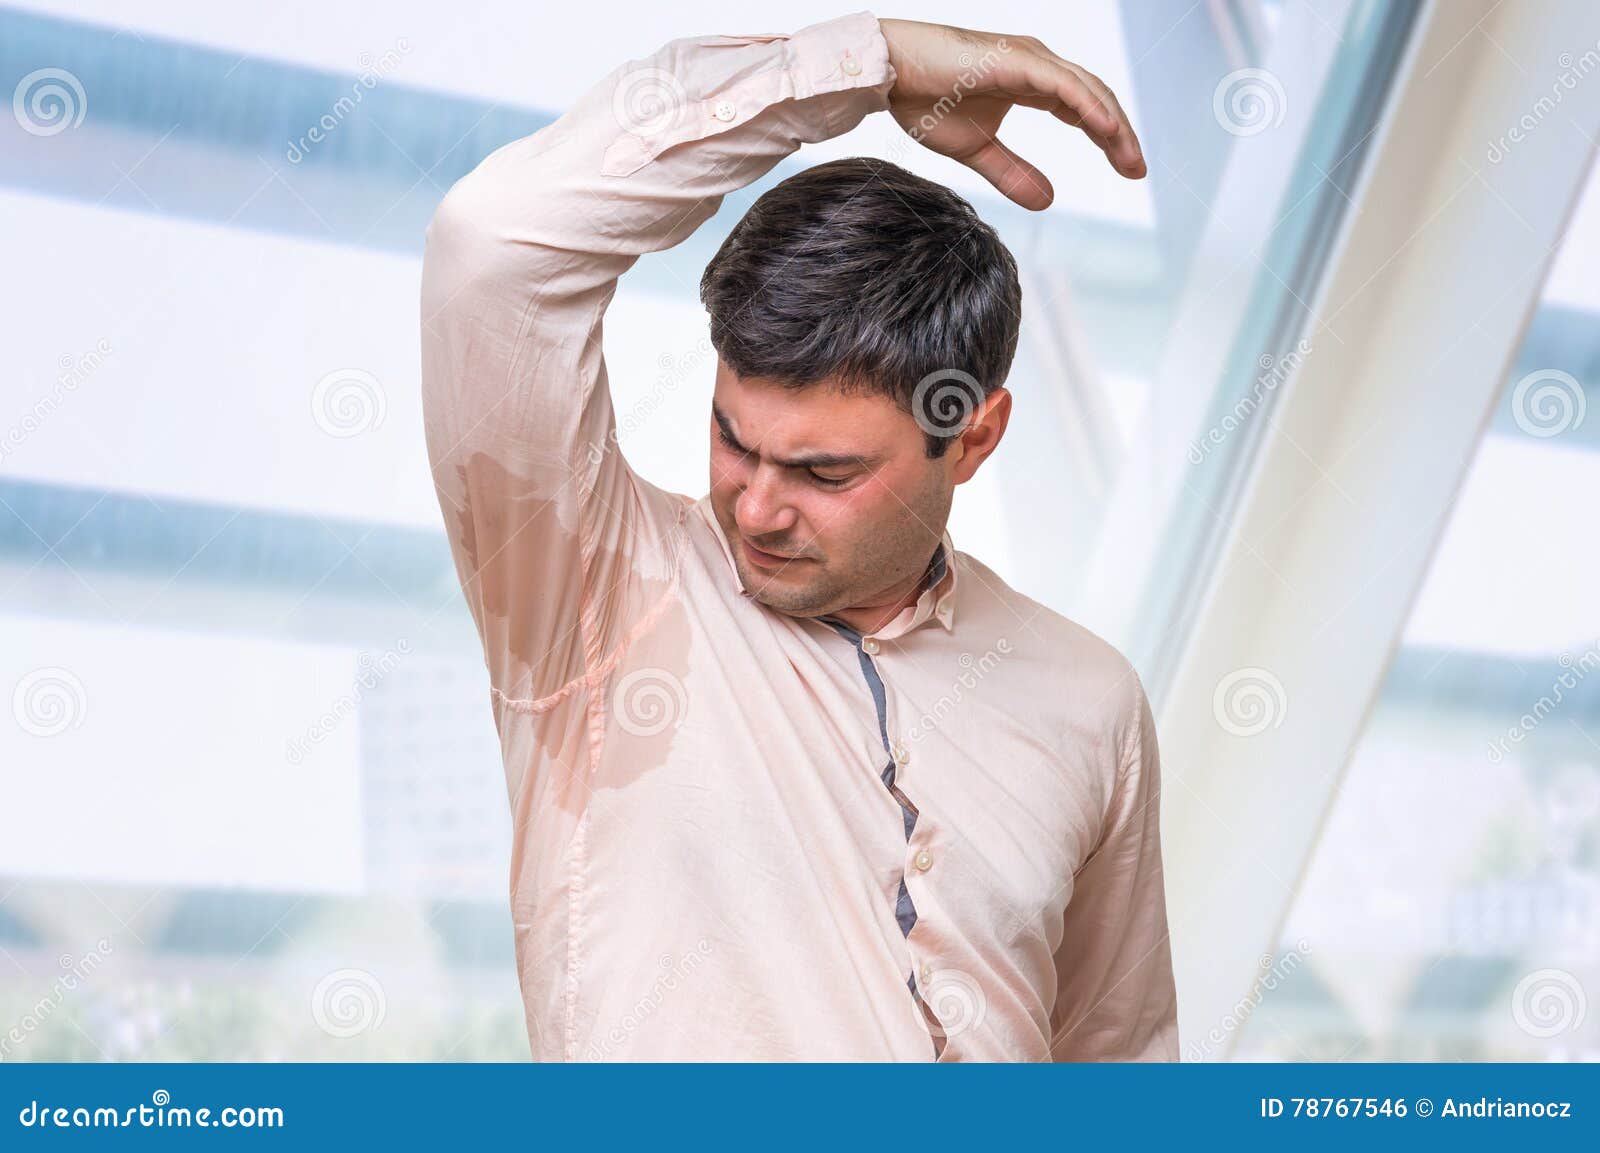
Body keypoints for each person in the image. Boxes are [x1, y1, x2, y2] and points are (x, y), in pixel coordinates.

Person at [420, 10, 1176, 1061]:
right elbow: (491, 242)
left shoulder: (1090, 701)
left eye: (825, 473)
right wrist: (873, 66)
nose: (758, 508)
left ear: (971, 437)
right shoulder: (593, 591)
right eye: (733, 441)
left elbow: (1118, 1061)